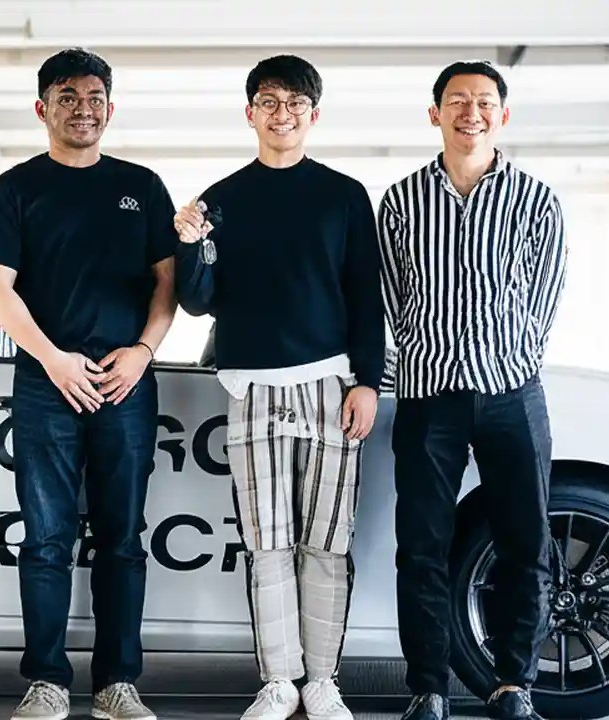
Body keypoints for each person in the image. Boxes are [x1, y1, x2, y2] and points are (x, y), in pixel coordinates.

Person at [173, 54, 386, 720]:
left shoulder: (345, 195)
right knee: (266, 541)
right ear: (250, 114)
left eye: (296, 102)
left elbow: (366, 296)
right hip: (252, 388)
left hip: (330, 382)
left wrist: (369, 383)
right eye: (269, 101)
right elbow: (198, 301)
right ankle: (279, 681)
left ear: (313, 115)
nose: (282, 113)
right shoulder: (222, 199)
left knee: (326, 541)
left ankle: (323, 681)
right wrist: (190, 245)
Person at [0, 47, 179, 720]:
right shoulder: (15, 189)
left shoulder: (142, 187)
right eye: (67, 97)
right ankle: (48, 683)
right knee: (46, 537)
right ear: (42, 109)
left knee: (123, 537)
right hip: (46, 384)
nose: (82, 108)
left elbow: (166, 284)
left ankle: (119, 685)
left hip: (124, 384)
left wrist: (144, 352)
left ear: (110, 109)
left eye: (94, 97)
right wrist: (55, 359)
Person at [376, 60, 568, 720]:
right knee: (421, 547)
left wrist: (506, 360)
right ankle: (428, 688)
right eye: (457, 100)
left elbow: (542, 300)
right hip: (428, 394)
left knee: (525, 543)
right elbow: (390, 299)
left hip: (513, 393)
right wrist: (416, 359)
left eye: (484, 101)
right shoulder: (401, 200)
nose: (471, 111)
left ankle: (515, 683)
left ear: (502, 115)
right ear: (436, 114)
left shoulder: (537, 200)